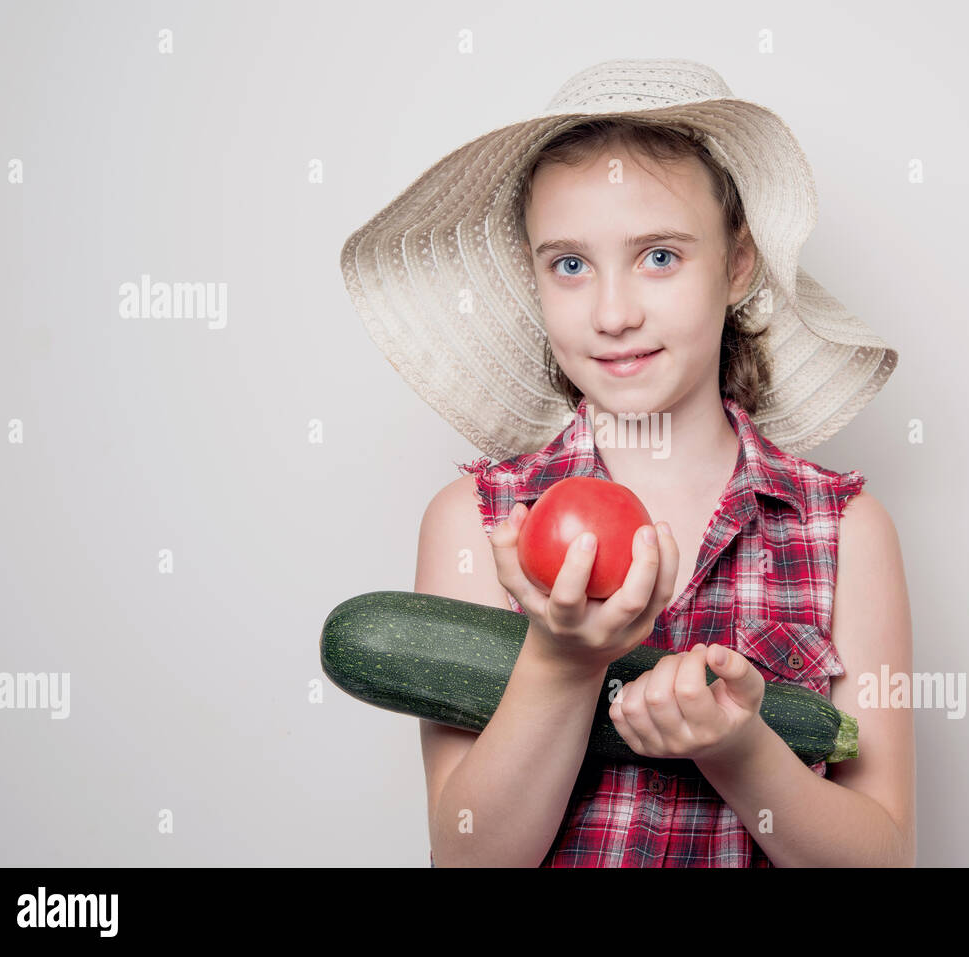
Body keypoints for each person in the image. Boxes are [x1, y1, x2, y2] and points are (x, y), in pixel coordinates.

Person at [340, 58, 913, 867]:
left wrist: (744, 753)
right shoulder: (474, 525)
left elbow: (885, 857)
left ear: (738, 262)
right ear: (535, 279)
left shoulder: (845, 530)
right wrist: (562, 661)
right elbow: (470, 858)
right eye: (570, 264)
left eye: (659, 257)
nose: (613, 314)